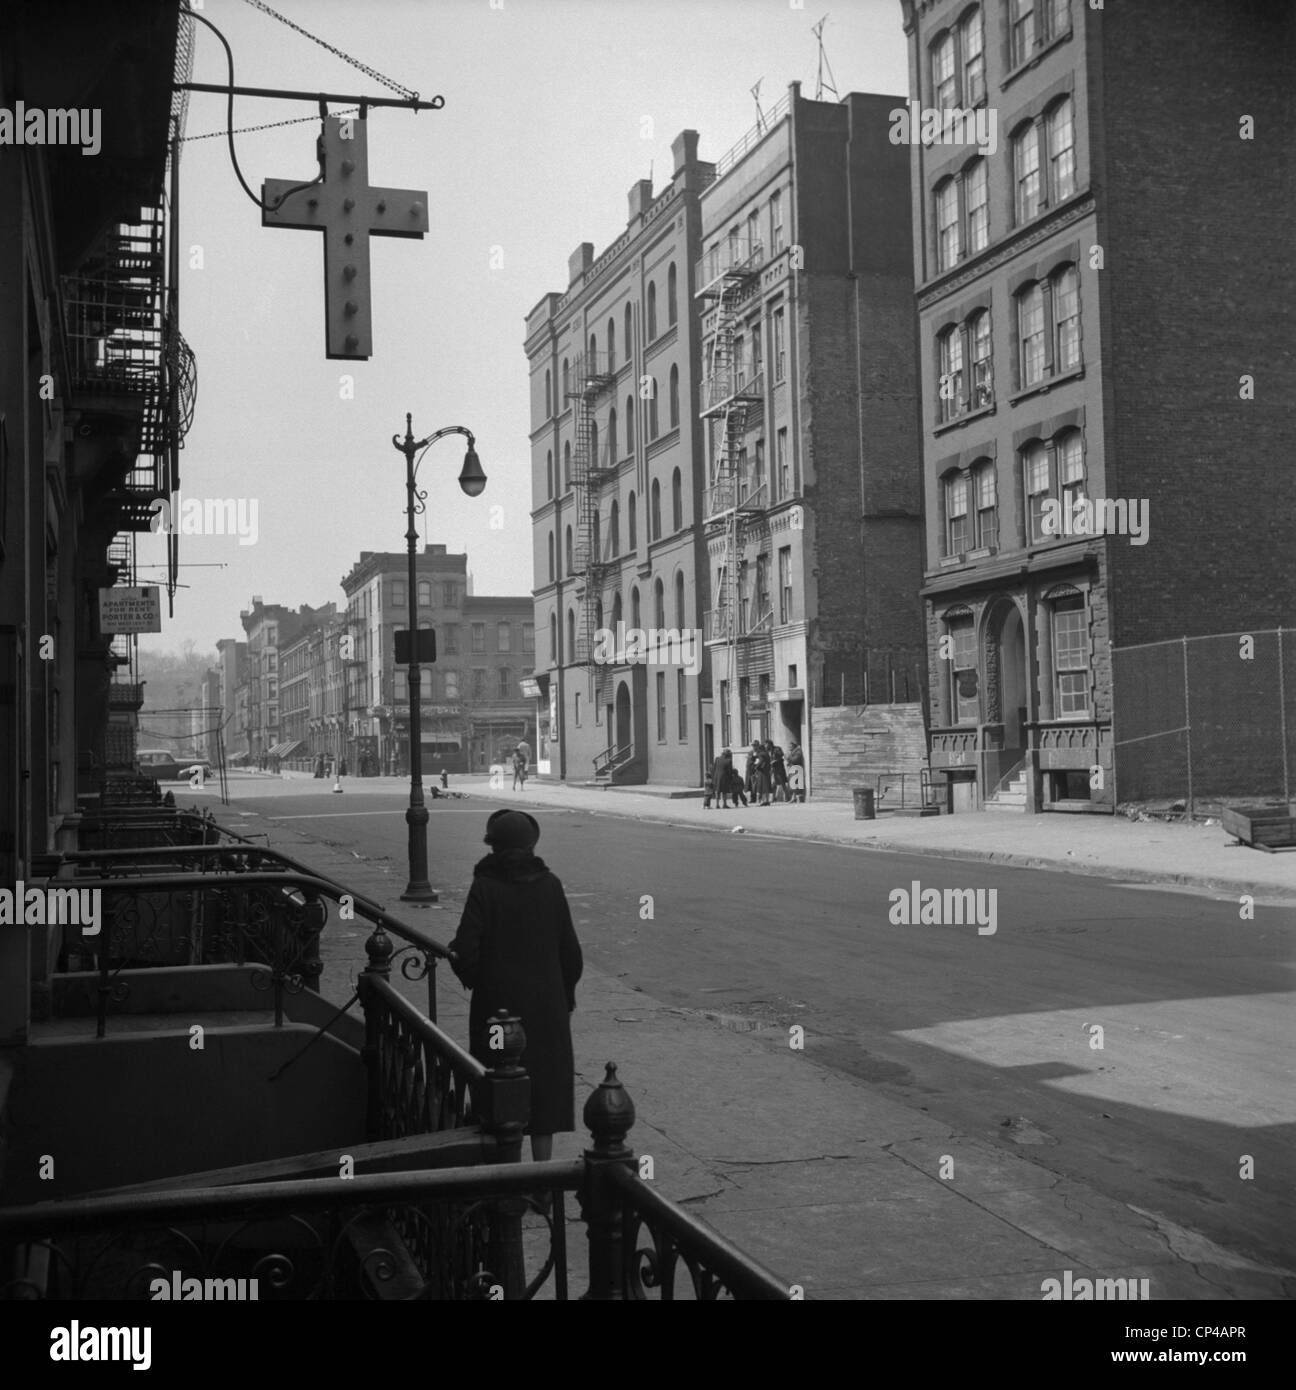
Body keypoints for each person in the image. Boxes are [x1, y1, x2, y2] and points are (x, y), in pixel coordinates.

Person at [449, 809, 583, 1163]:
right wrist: (565, 995)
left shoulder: (485, 887)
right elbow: (571, 952)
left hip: (497, 1011)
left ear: (493, 847)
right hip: (546, 1008)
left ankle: (507, 1175)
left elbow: (463, 949)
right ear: (531, 845)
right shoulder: (550, 885)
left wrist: (478, 980)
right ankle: (543, 1178)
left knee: (497, 1084)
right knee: (544, 1089)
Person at [753, 741, 772, 806]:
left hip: (762, 771)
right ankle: (767, 800)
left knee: (762, 786)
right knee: (766, 786)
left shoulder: (761, 754)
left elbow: (761, 761)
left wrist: (756, 767)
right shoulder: (766, 754)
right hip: (767, 771)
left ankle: (764, 801)